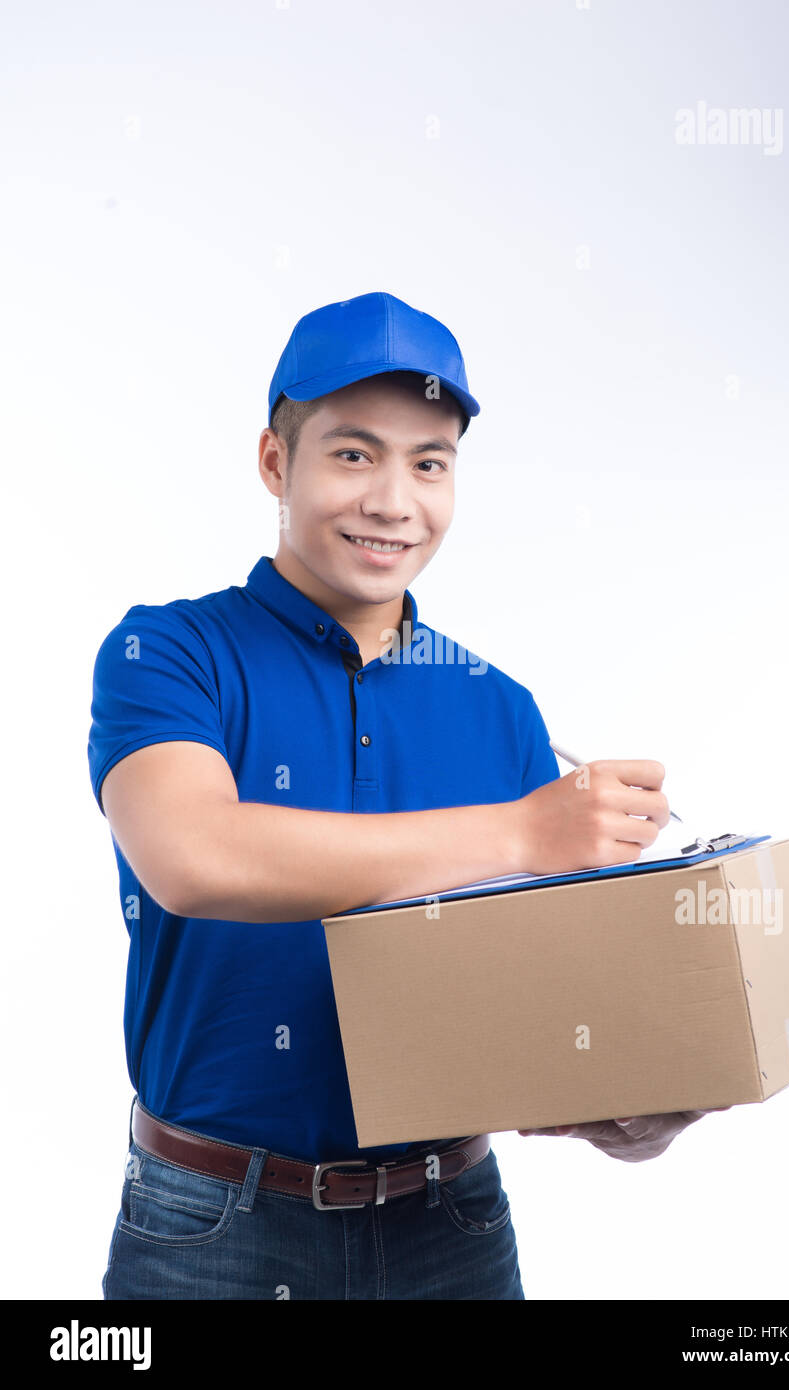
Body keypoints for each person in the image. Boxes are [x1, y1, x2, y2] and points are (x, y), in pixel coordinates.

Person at [87, 290, 715, 1302]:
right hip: (210, 1227)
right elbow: (192, 855)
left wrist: (636, 1106)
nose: (393, 501)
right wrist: (524, 828)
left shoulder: (498, 707)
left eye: (429, 463)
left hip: (450, 1229)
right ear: (274, 463)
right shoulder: (169, 653)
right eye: (352, 453)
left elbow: (543, 1014)